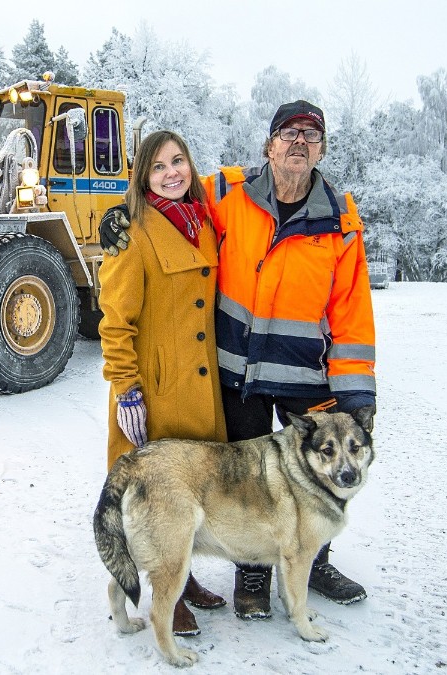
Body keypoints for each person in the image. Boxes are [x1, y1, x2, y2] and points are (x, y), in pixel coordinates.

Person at [101, 100, 377, 618]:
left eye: (311, 136)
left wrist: (357, 393)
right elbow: (163, 185)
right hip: (239, 373)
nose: (299, 143)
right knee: (249, 481)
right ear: (269, 145)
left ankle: (313, 562)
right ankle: (252, 573)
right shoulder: (228, 192)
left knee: (316, 474)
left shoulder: (340, 216)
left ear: (321, 150)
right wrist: (118, 215)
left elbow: (352, 308)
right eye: (288, 134)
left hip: (306, 376)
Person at [98, 129, 228, 637]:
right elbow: (114, 320)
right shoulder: (130, 230)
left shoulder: (204, 223)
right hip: (156, 392)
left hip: (201, 389)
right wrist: (126, 387)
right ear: (142, 175)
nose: (172, 173)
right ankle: (162, 591)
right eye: (158, 166)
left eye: (179, 161)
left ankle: (184, 575)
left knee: (191, 497)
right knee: (158, 500)